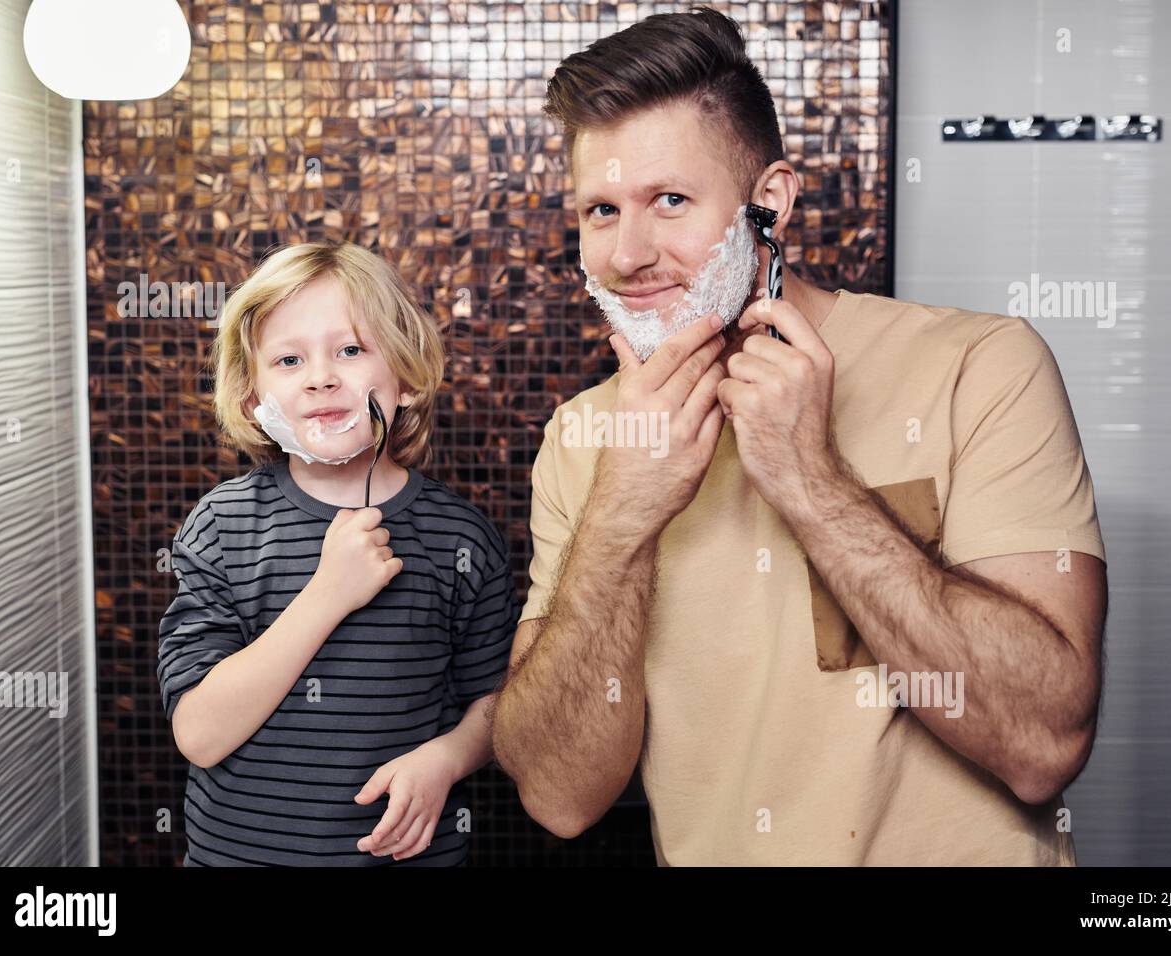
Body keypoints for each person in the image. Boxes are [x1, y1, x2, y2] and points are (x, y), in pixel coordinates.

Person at [492, 7, 1108, 865]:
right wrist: (622, 515)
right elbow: (559, 797)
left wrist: (812, 481)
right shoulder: (584, 437)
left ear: (768, 203)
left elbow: (1044, 745)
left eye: (668, 200)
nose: (627, 252)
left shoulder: (982, 367)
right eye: (600, 210)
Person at [157, 241, 518, 865]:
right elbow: (200, 734)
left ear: (404, 377)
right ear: (253, 399)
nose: (322, 376)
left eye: (350, 351)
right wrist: (327, 594)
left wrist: (449, 758)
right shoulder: (221, 526)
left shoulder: (463, 540)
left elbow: (498, 702)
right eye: (289, 359)